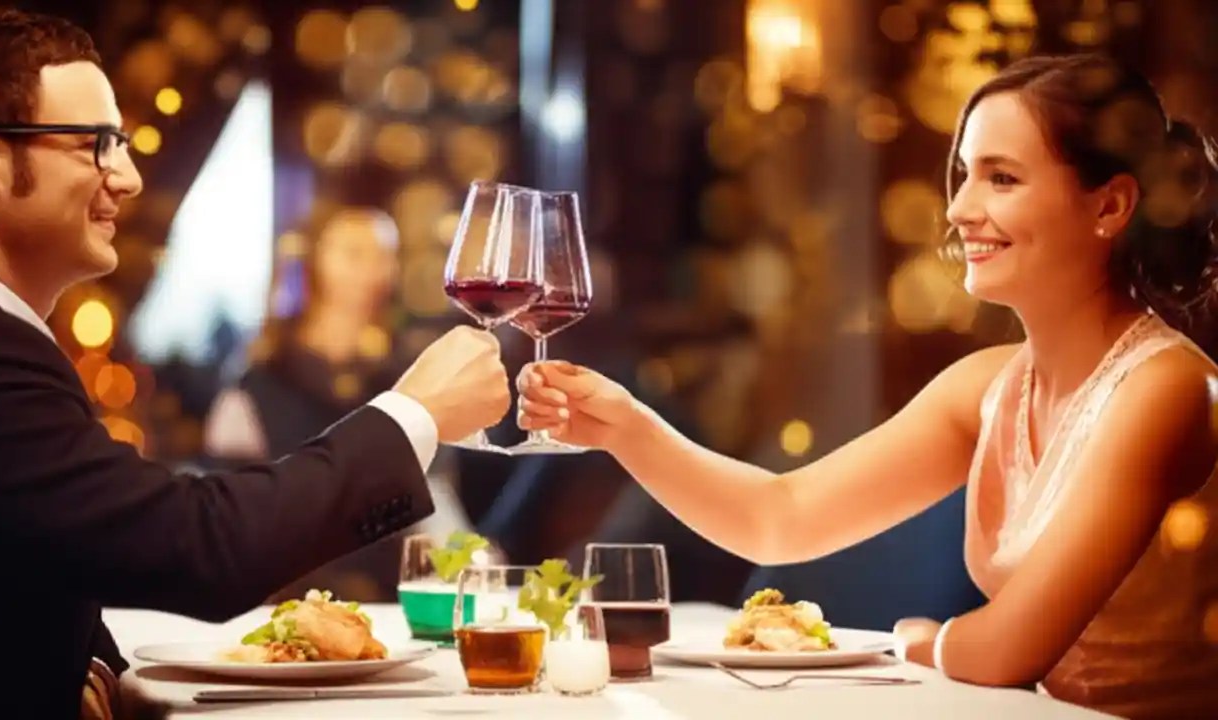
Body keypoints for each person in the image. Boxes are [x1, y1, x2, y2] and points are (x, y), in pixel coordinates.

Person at [519, 53, 1218, 719]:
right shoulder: (985, 387)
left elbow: (1006, 651)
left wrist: (920, 639)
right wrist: (625, 428)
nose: (960, 210)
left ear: (1110, 207)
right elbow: (780, 518)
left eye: (1001, 179)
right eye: (964, 175)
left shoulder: (1167, 387)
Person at [0, 8, 510, 719]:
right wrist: (414, 414)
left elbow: (45, 563)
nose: (129, 177)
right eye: (98, 145)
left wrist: (93, 671)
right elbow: (193, 545)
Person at [203, 205, 476, 602]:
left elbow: (436, 497)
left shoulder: (408, 376)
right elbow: (234, 515)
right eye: (353, 253)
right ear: (315, 261)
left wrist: (469, 564)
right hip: (286, 594)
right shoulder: (262, 383)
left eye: (383, 254)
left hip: (391, 594)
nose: (371, 270)